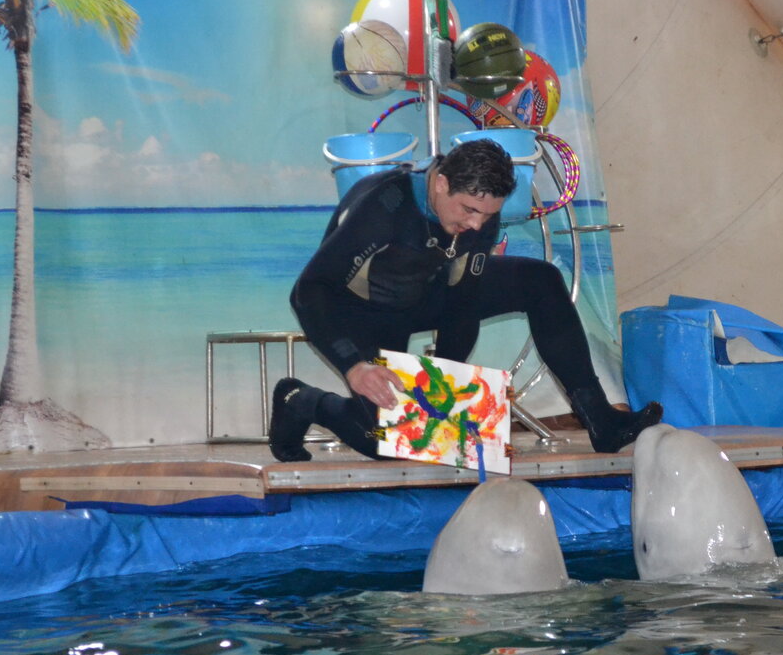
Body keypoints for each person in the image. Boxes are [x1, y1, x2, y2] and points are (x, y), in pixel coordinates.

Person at [269, 139, 661, 462]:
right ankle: (299, 400)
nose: (476, 224)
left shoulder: (480, 213)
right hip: (360, 311)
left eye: (488, 215)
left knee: (540, 280)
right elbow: (309, 290)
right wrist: (354, 366)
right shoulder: (383, 206)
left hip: (424, 293)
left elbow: (463, 302)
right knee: (390, 442)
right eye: (469, 210)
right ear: (440, 183)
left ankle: (600, 419)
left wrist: (444, 390)